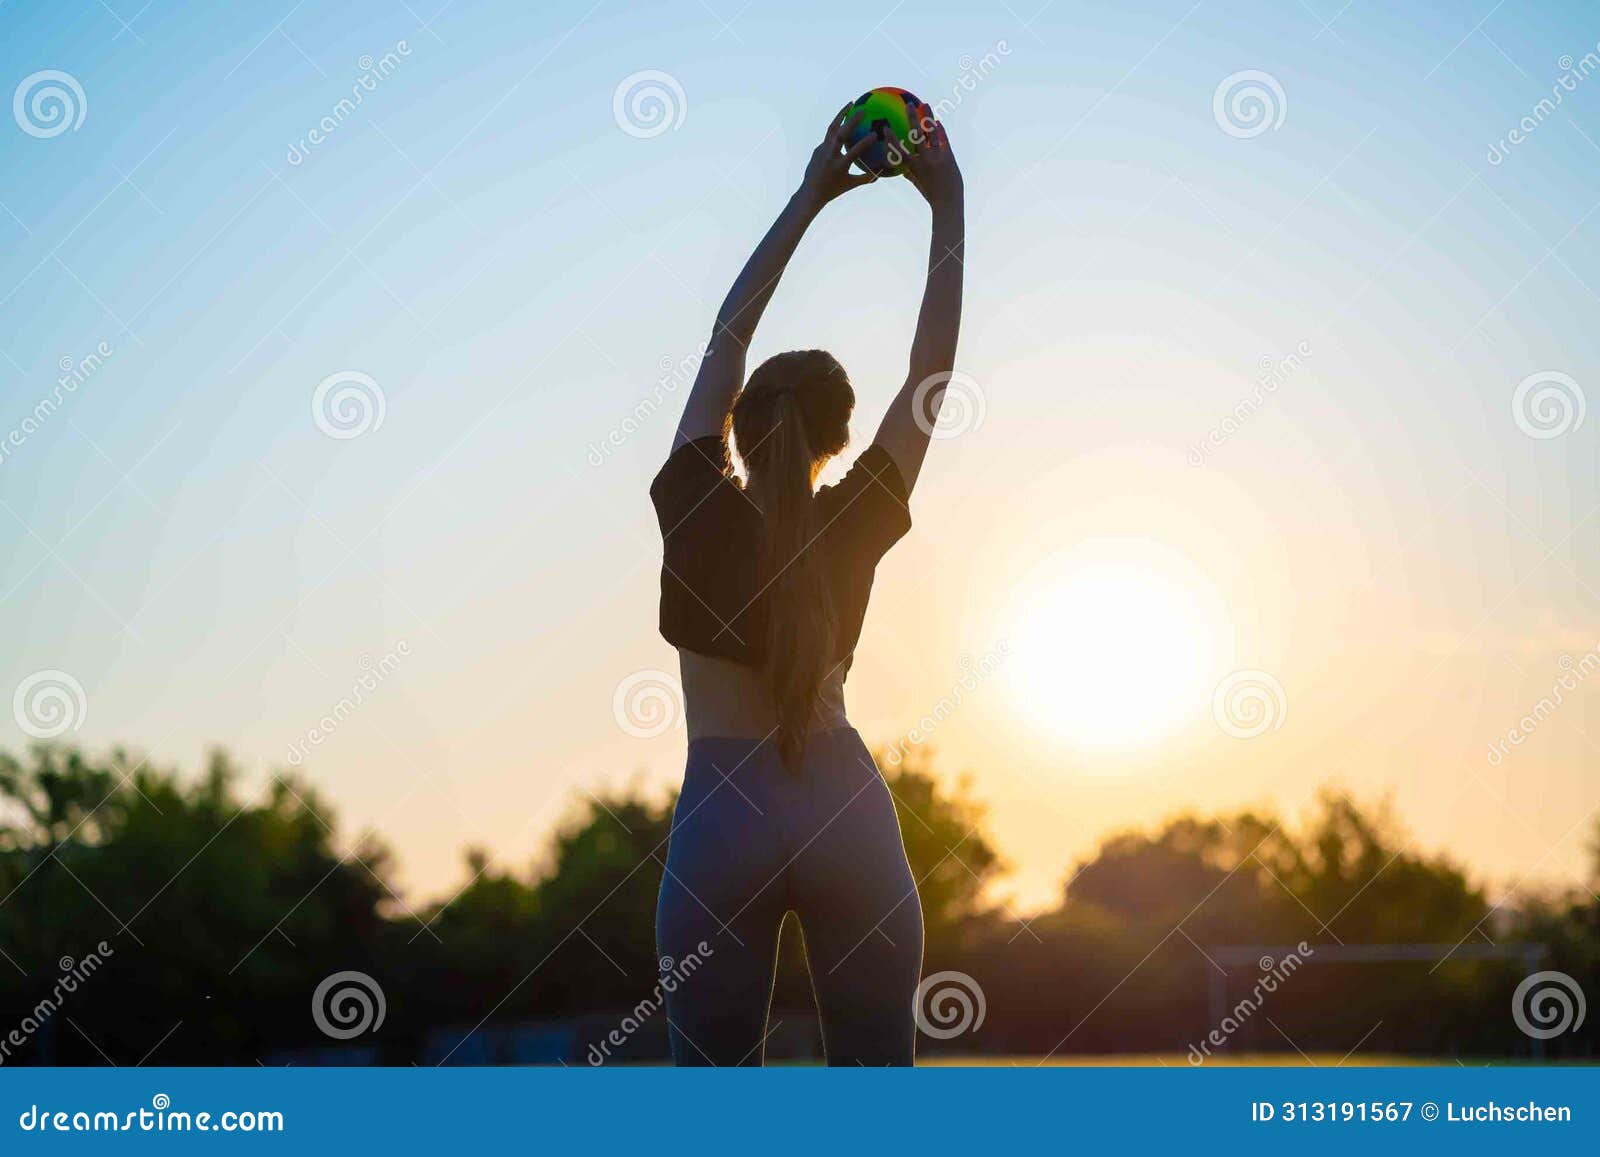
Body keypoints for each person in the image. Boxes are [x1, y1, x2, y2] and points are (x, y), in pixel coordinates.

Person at [648, 102, 965, 1065]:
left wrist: (811, 195)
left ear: (738, 424)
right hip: (846, 814)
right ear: (837, 435)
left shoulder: (693, 496)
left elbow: (726, 336)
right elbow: (931, 369)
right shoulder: (856, 515)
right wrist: (947, 201)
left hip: (721, 818)